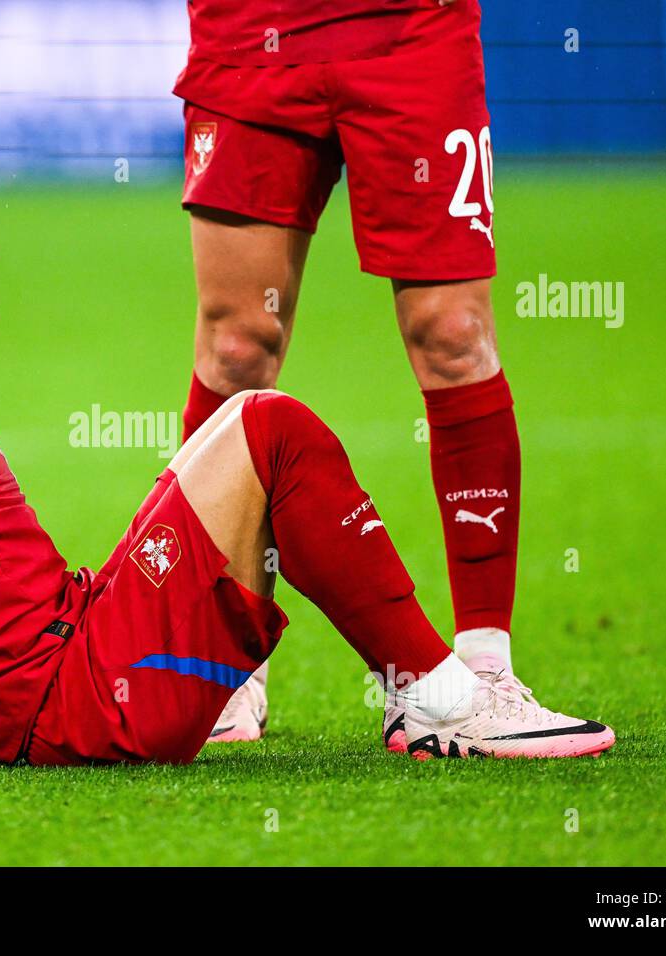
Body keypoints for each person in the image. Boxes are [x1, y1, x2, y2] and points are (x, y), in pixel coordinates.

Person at [0, 149, 613, 780]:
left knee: (248, 436)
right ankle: (439, 700)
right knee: (271, 427)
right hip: (67, 701)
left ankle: (335, 694)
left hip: (75, 644)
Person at [174, 0, 526, 747]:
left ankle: (484, 669)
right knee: (238, 343)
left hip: (411, 33)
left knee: (454, 333)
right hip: (251, 33)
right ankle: (222, 669)